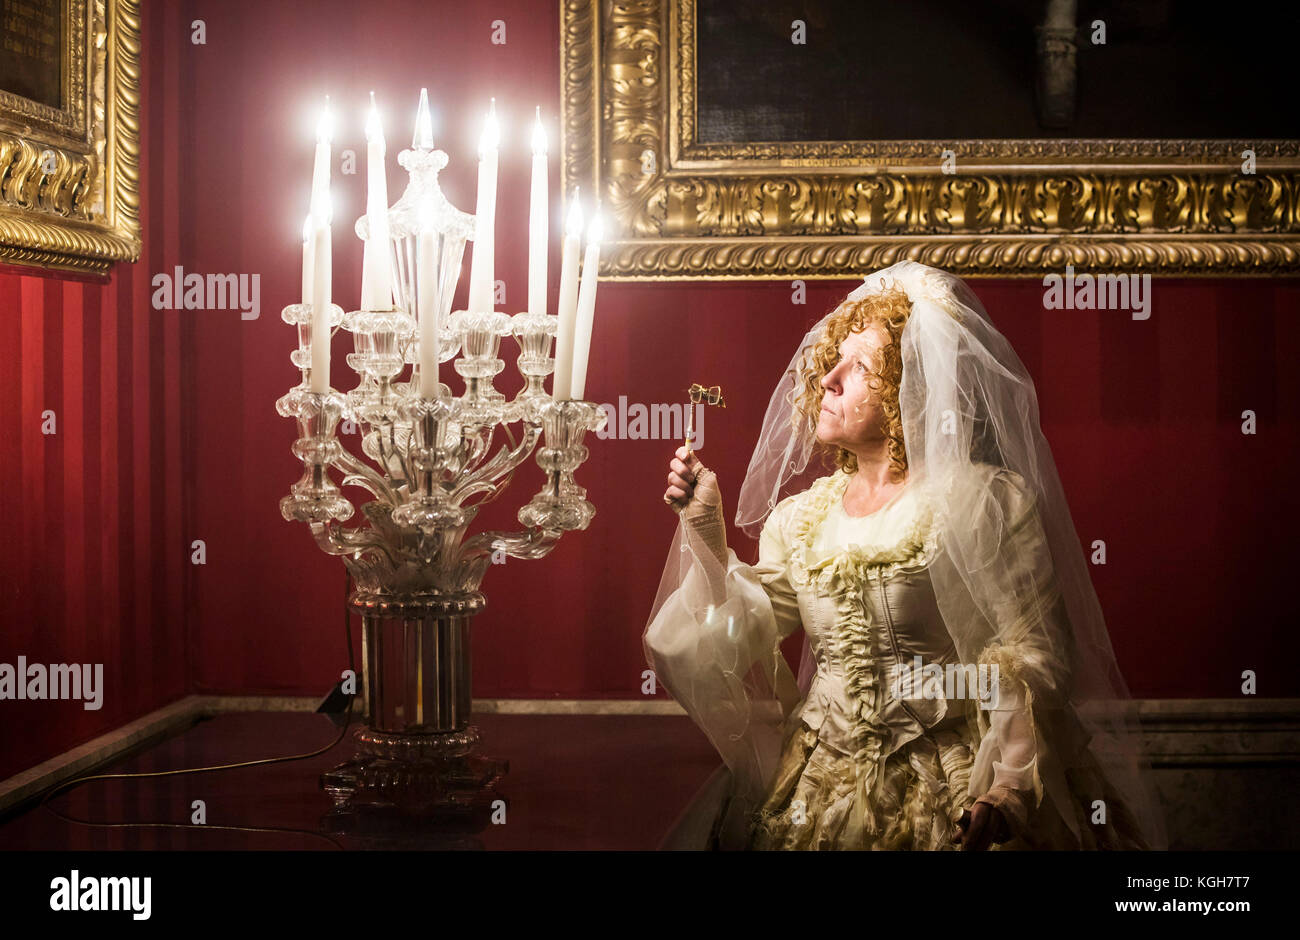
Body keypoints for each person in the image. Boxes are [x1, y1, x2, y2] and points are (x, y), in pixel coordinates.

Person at [643, 261, 1167, 851]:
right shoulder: (803, 518)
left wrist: (1011, 785)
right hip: (816, 782)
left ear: (908, 388)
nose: (830, 378)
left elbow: (1030, 655)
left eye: (860, 366)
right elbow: (743, 639)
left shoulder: (981, 501)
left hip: (953, 781)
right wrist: (709, 536)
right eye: (834, 359)